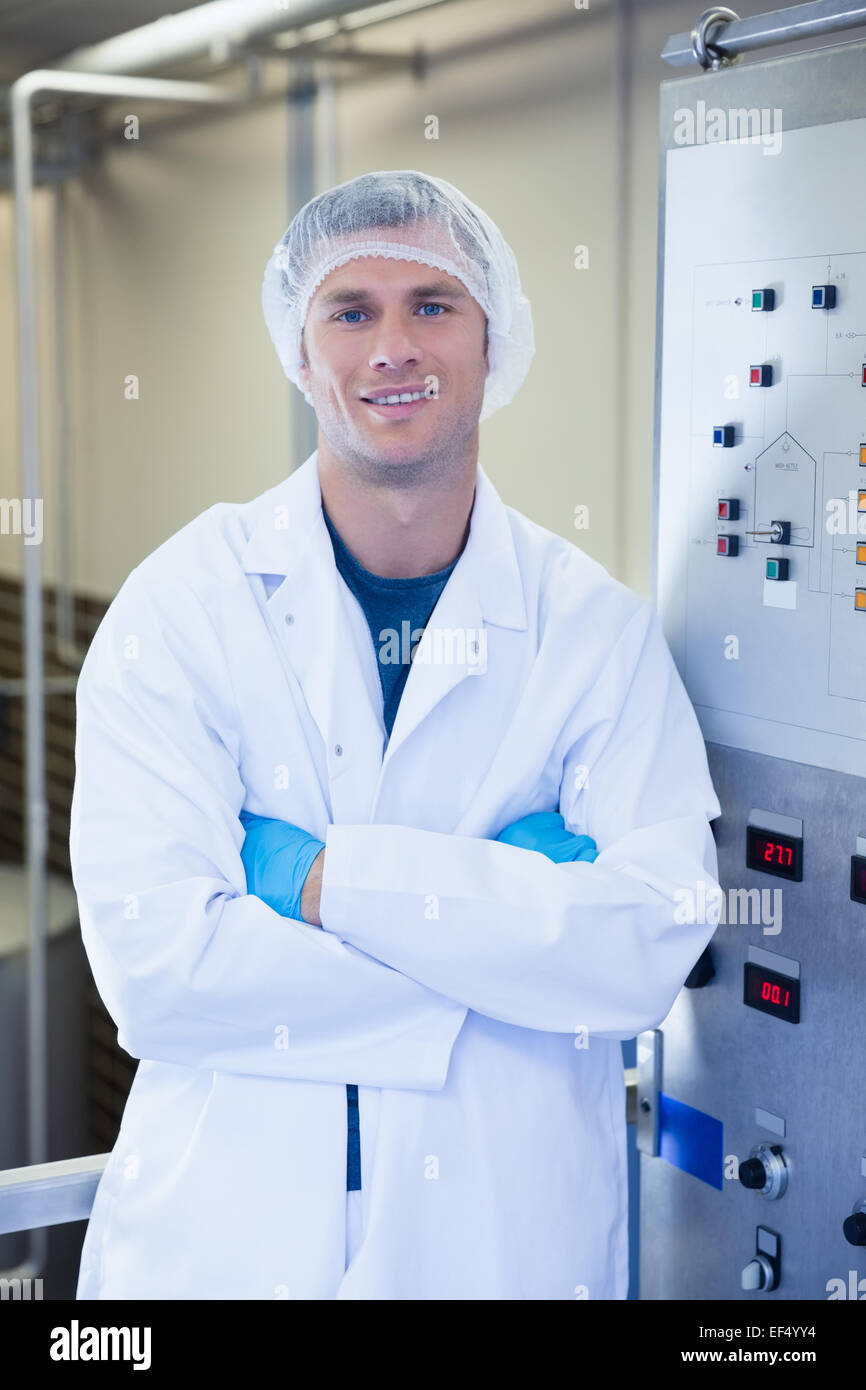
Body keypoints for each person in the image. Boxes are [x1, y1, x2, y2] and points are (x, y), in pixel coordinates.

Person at [70, 169, 722, 1301]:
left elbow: (647, 948)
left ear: (492, 337)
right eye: (350, 308)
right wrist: (505, 933)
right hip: (224, 1245)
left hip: (500, 1250)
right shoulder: (181, 606)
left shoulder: (592, 631)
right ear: (300, 344)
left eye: (432, 304)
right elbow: (162, 972)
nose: (391, 347)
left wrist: (320, 880)